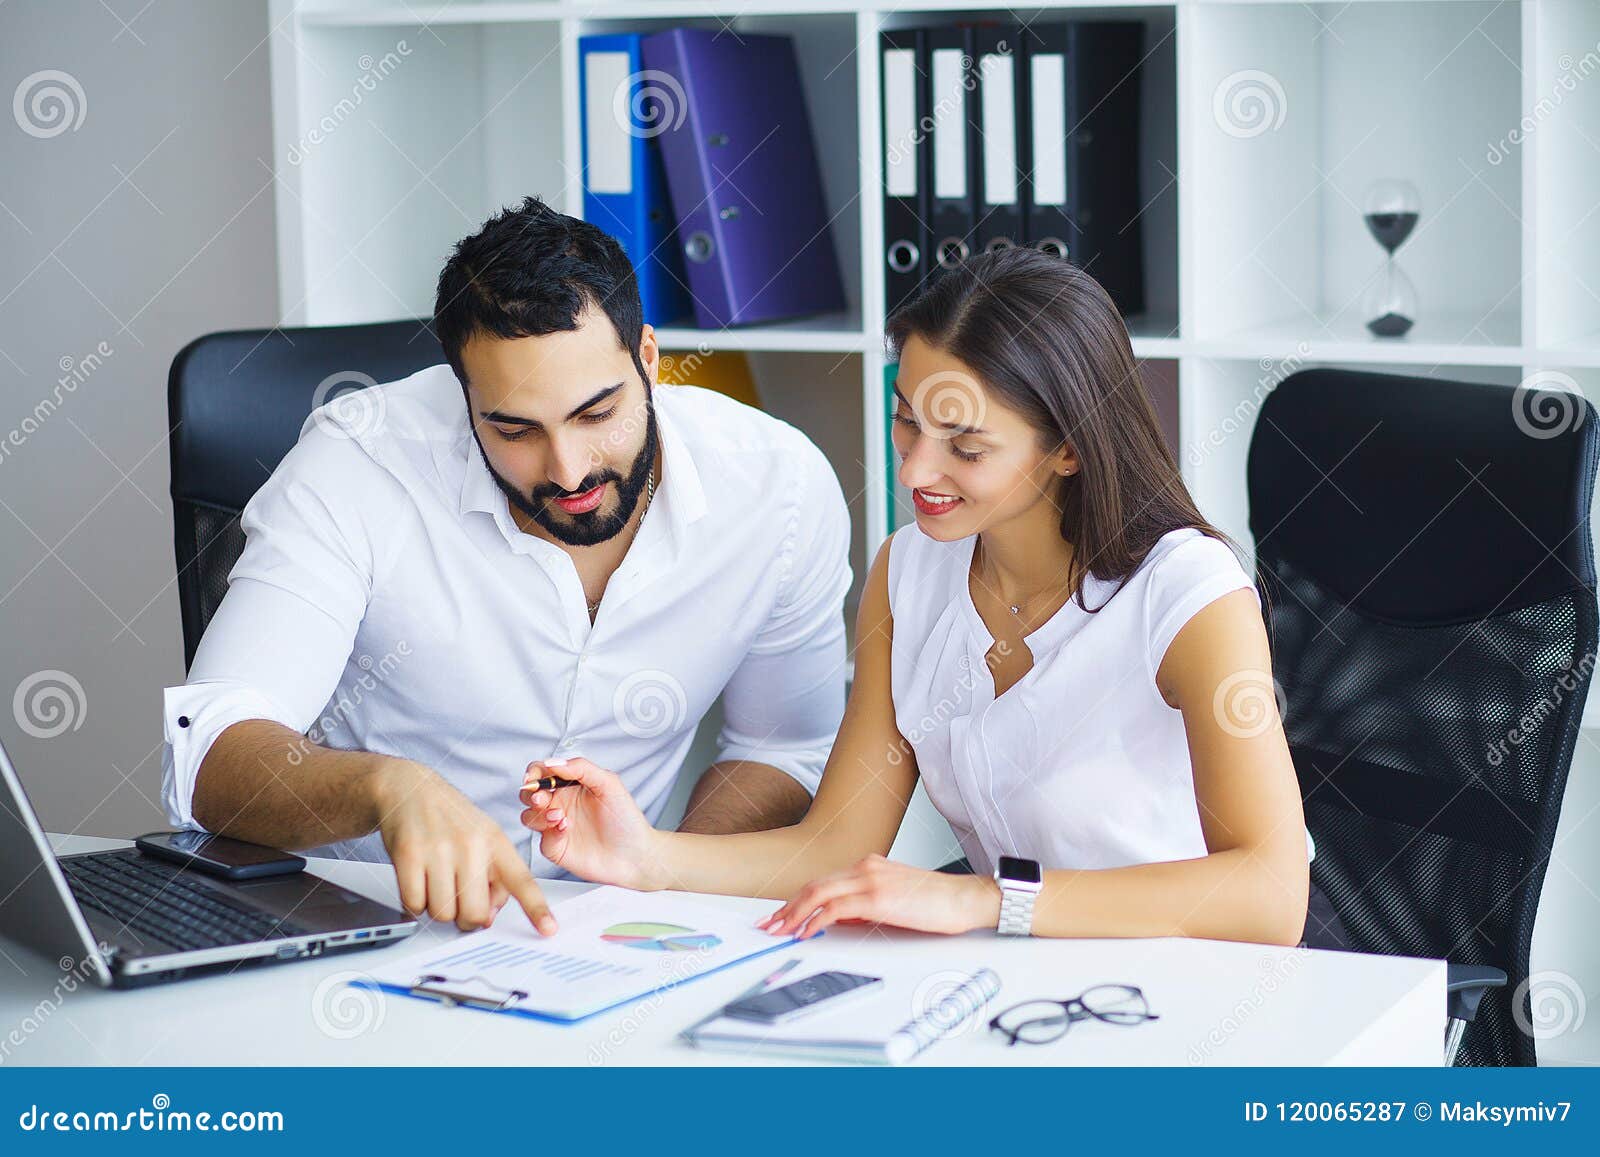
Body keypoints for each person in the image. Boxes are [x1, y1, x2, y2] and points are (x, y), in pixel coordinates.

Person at [519, 247, 1320, 946]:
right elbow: (832, 844)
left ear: (1070, 448)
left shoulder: (1189, 595)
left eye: (965, 447)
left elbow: (1271, 895)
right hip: (1028, 986)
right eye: (907, 423)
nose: (914, 473)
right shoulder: (909, 574)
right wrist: (643, 855)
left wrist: (980, 900)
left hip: (1203, 990)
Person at [159, 196, 853, 935]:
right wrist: (386, 789)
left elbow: (781, 746)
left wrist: (659, 883)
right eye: (516, 428)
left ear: (648, 359)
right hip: (369, 923)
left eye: (596, 414)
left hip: (625, 935)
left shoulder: (777, 487)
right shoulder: (356, 464)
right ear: (464, 397)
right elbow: (209, 751)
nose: (569, 468)